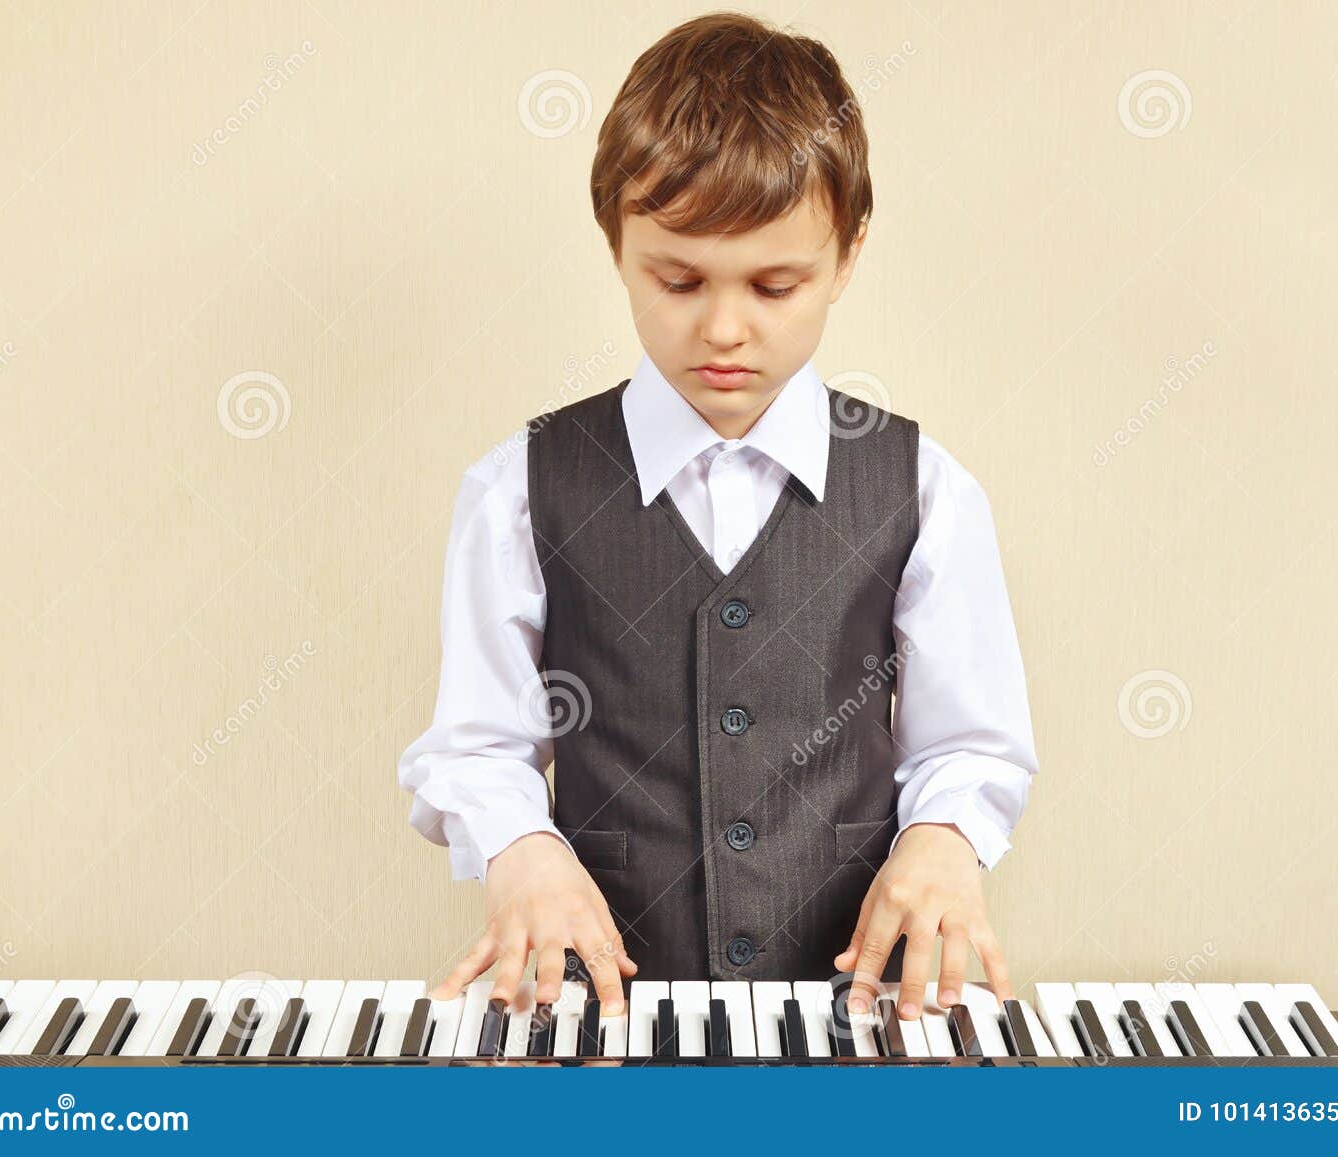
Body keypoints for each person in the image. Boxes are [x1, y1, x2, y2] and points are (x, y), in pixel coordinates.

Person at [398, 11, 1038, 1023]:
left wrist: (944, 837)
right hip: (602, 1023)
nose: (725, 328)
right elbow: (475, 744)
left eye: (777, 284)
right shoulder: (520, 487)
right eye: (678, 279)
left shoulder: (924, 487)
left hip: (854, 1020)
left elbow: (969, 743)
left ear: (848, 255)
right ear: (615, 243)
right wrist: (523, 850)